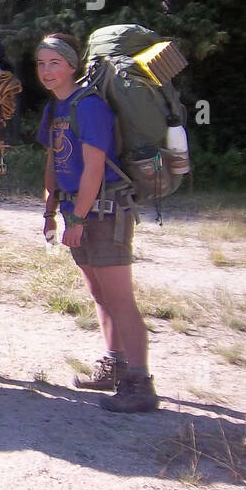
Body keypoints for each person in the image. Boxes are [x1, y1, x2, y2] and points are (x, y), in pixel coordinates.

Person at [36, 34, 158, 412]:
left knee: (120, 299)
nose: (46, 71)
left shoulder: (89, 107)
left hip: (103, 212)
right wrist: (49, 210)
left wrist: (77, 217)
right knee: (100, 294)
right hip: (79, 210)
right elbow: (54, 162)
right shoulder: (55, 109)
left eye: (55, 62)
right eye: (41, 64)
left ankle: (140, 383)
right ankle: (115, 365)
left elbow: (93, 167)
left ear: (73, 65)